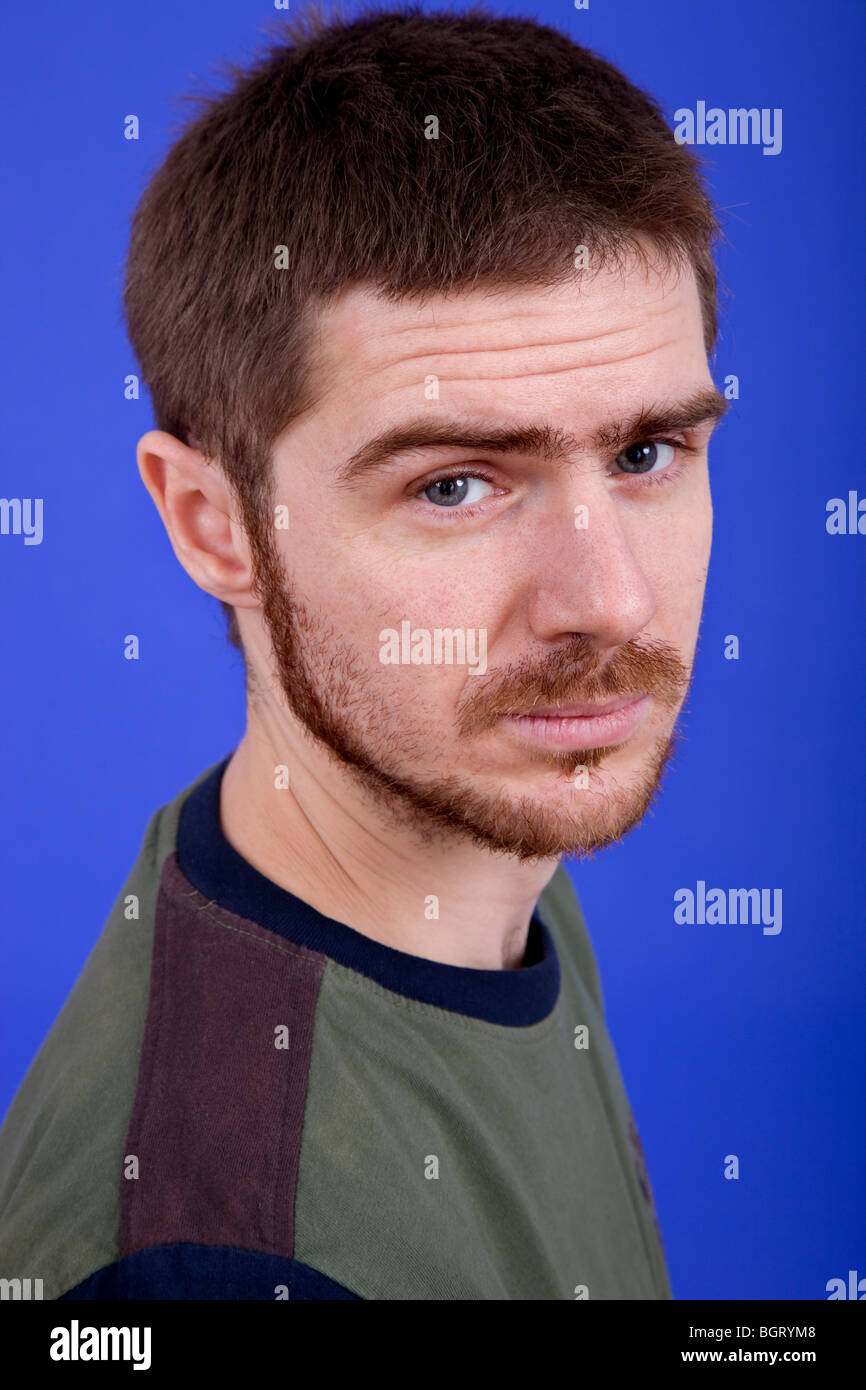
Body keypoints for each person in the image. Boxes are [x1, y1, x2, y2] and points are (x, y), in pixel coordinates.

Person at [0, 2, 728, 1299]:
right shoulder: (209, 1258)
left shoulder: (490, 845)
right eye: (455, 484)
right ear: (212, 524)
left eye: (642, 453)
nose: (606, 603)